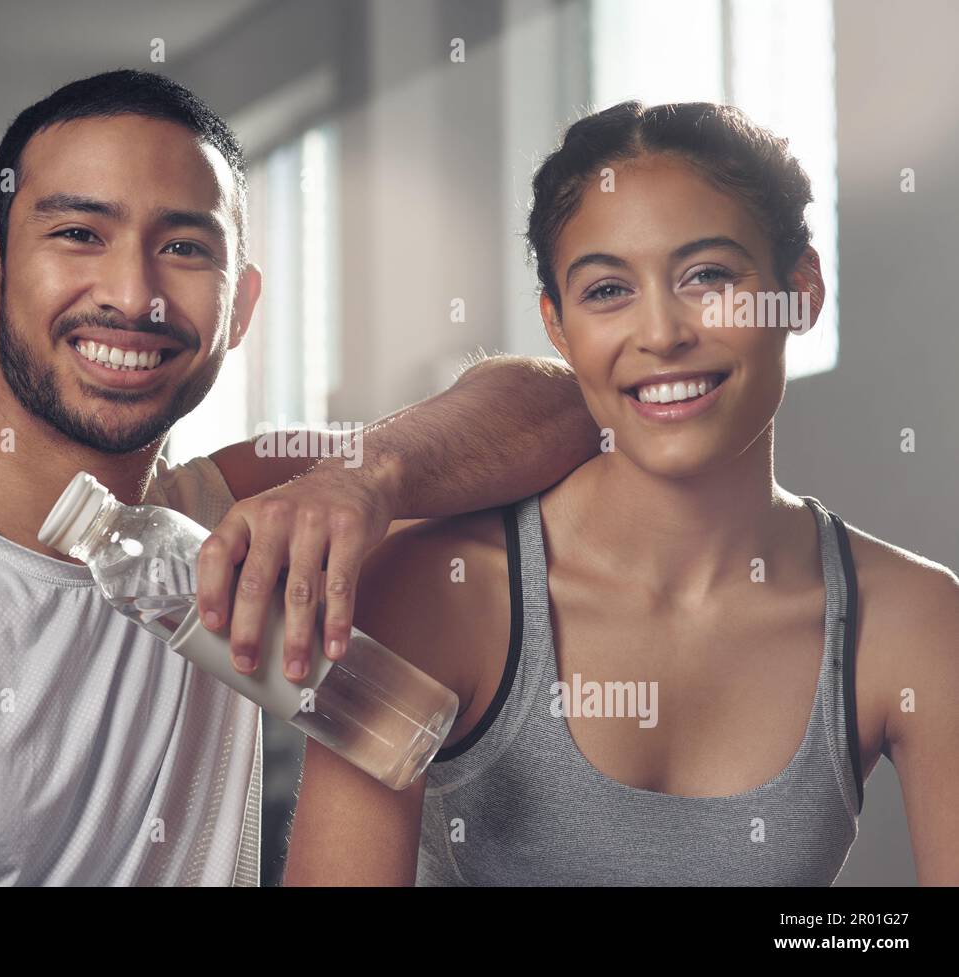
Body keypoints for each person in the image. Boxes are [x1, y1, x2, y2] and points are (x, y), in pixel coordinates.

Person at [0, 70, 598, 886]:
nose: (134, 294)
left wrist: (369, 481)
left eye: (186, 248)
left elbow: (557, 405)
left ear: (239, 308)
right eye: (80, 232)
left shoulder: (223, 508)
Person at [284, 101, 959, 886]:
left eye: (708, 275)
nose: (663, 332)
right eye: (607, 290)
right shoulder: (434, 595)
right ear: (560, 329)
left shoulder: (912, 619)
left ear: (800, 290)